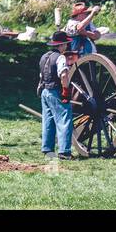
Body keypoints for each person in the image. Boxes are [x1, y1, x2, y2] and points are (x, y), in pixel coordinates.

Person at [39, 30, 74, 159]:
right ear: (62, 45)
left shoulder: (44, 57)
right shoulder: (60, 58)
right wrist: (65, 90)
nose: (66, 46)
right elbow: (63, 75)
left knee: (48, 120)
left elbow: (41, 75)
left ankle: (48, 150)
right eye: (65, 44)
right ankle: (64, 151)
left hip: (45, 91)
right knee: (64, 119)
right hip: (56, 91)